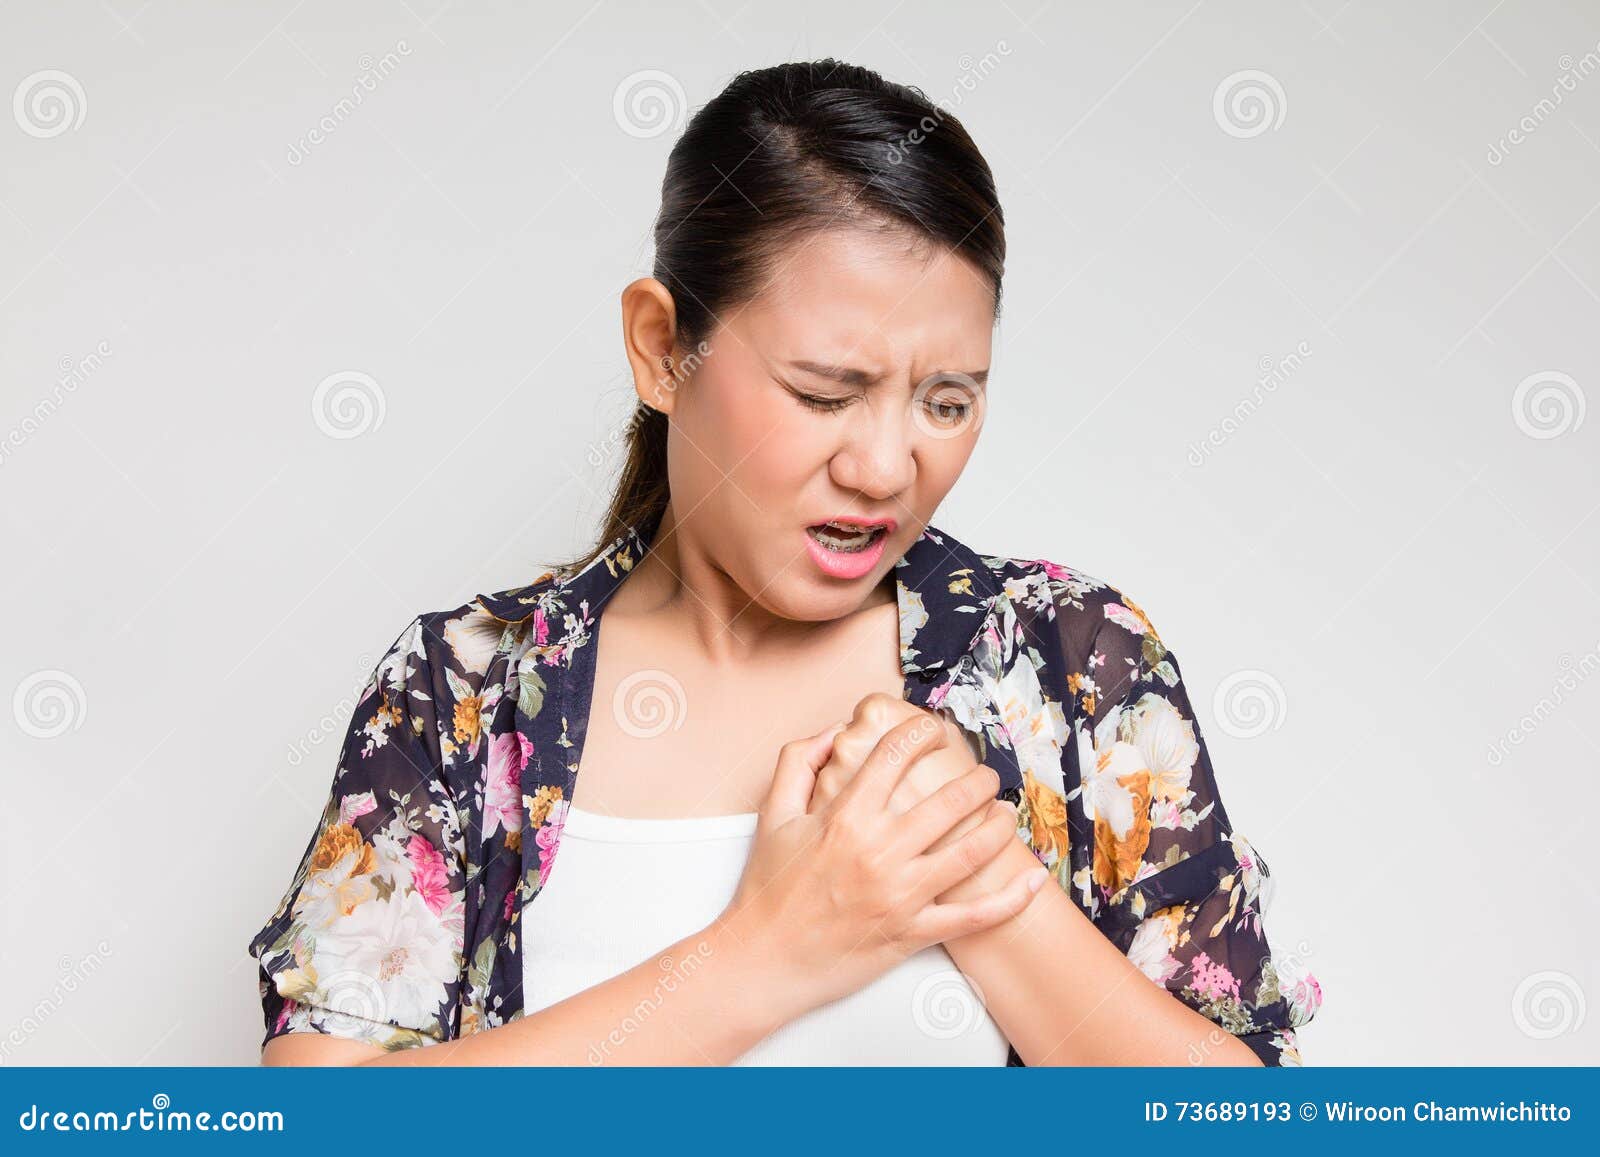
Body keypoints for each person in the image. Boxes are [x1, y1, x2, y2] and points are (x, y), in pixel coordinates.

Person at [246, 58, 1321, 1067]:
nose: (885, 466)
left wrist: (983, 875)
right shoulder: (463, 692)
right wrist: (771, 950)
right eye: (823, 393)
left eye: (947, 402)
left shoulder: (1070, 664)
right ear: (662, 349)